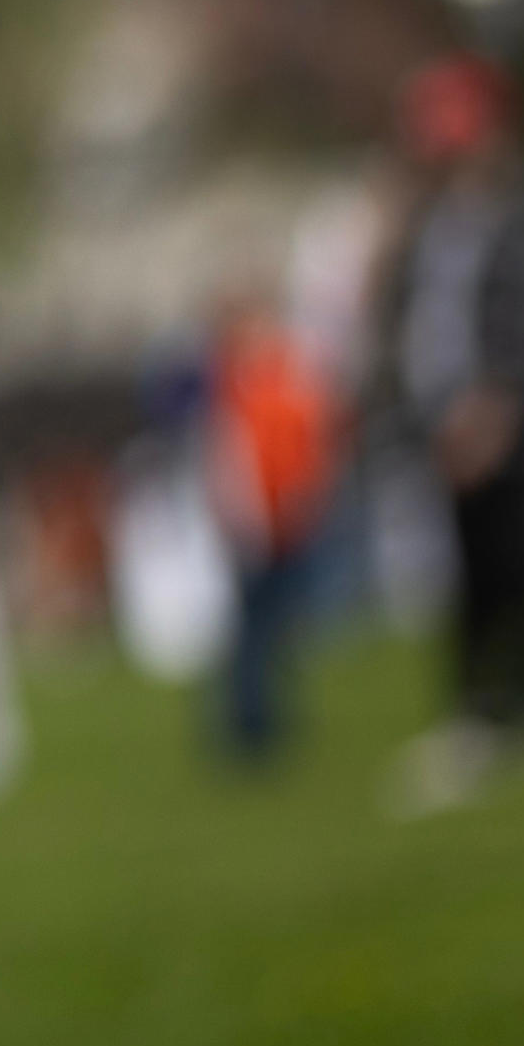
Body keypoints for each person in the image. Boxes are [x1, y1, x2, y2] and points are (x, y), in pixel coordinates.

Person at [381, 52, 524, 805]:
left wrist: (494, 408)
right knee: (474, 572)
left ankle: (517, 707)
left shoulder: (522, 211)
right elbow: (410, 322)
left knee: (513, 564)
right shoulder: (430, 223)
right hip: (443, 419)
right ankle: (488, 710)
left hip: (503, 422)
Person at [199, 281, 341, 766]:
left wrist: (309, 493)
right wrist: (240, 516)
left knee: (281, 625)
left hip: (287, 518)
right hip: (255, 524)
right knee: (252, 628)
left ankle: (269, 716)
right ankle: (248, 723)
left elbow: (310, 442)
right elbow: (228, 462)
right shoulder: (233, 388)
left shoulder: (287, 378)